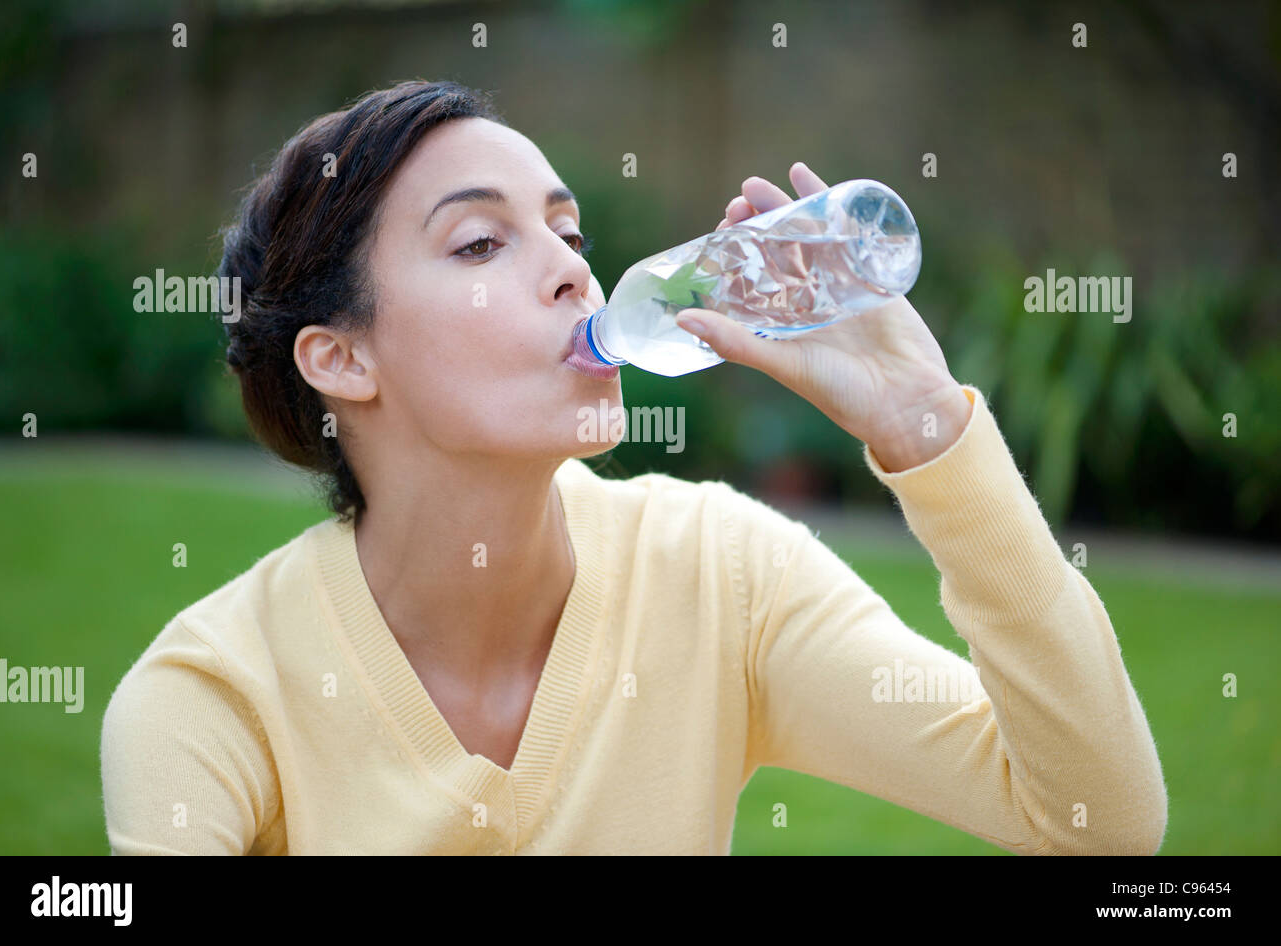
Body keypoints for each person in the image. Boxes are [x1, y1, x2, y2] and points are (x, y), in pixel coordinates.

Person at [100, 79, 1167, 855]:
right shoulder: (211, 700)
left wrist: (929, 429)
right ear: (342, 357)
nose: (572, 270)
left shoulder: (719, 573)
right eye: (481, 244)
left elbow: (1097, 819)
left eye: (571, 231)